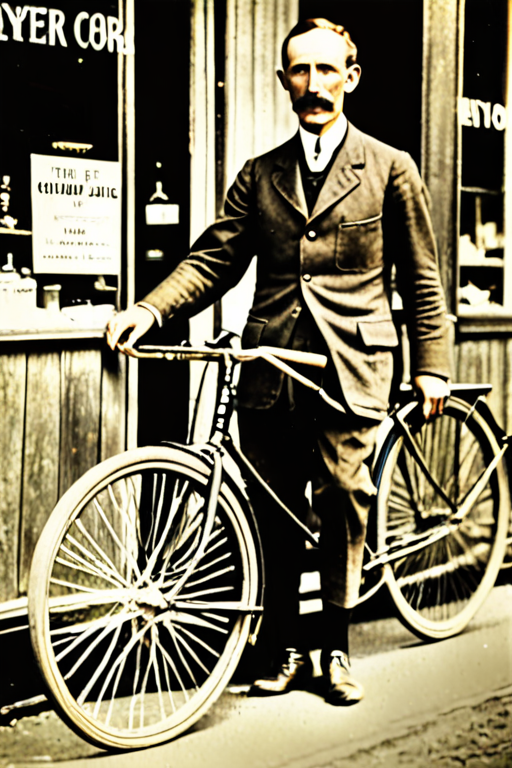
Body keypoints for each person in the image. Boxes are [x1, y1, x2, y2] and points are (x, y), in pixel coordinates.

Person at [107, 17, 450, 705]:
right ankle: (286, 647)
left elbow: (421, 277)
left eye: (328, 71)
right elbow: (214, 258)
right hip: (270, 365)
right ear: (284, 80)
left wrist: (431, 363)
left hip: (350, 366)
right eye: (301, 71)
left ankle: (336, 647)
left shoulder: (390, 168)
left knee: (343, 496)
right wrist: (150, 309)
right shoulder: (260, 174)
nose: (314, 85)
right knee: (272, 510)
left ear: (351, 77)